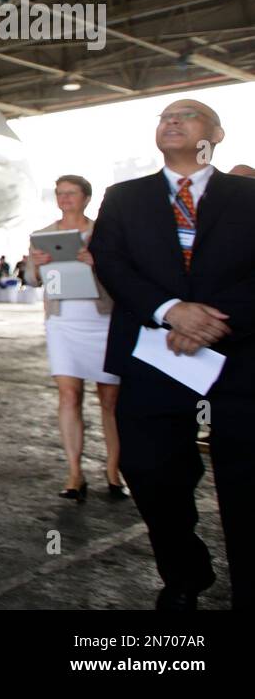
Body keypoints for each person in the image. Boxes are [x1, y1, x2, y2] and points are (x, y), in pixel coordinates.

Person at [88, 99, 255, 611]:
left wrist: (211, 321)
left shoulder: (249, 196)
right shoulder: (124, 198)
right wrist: (171, 311)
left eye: (188, 114)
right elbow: (112, 265)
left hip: (239, 358)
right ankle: (184, 573)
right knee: (151, 470)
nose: (173, 121)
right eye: (165, 117)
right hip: (154, 357)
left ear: (217, 134)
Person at [26, 175, 122, 501]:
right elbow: (31, 279)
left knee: (110, 400)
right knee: (69, 396)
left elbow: (126, 276)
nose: (64, 198)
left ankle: (113, 469)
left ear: (86, 198)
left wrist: (99, 263)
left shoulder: (103, 234)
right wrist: (36, 266)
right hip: (62, 321)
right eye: (60, 193)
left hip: (102, 320)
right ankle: (74, 472)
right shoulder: (43, 236)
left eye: (71, 193)